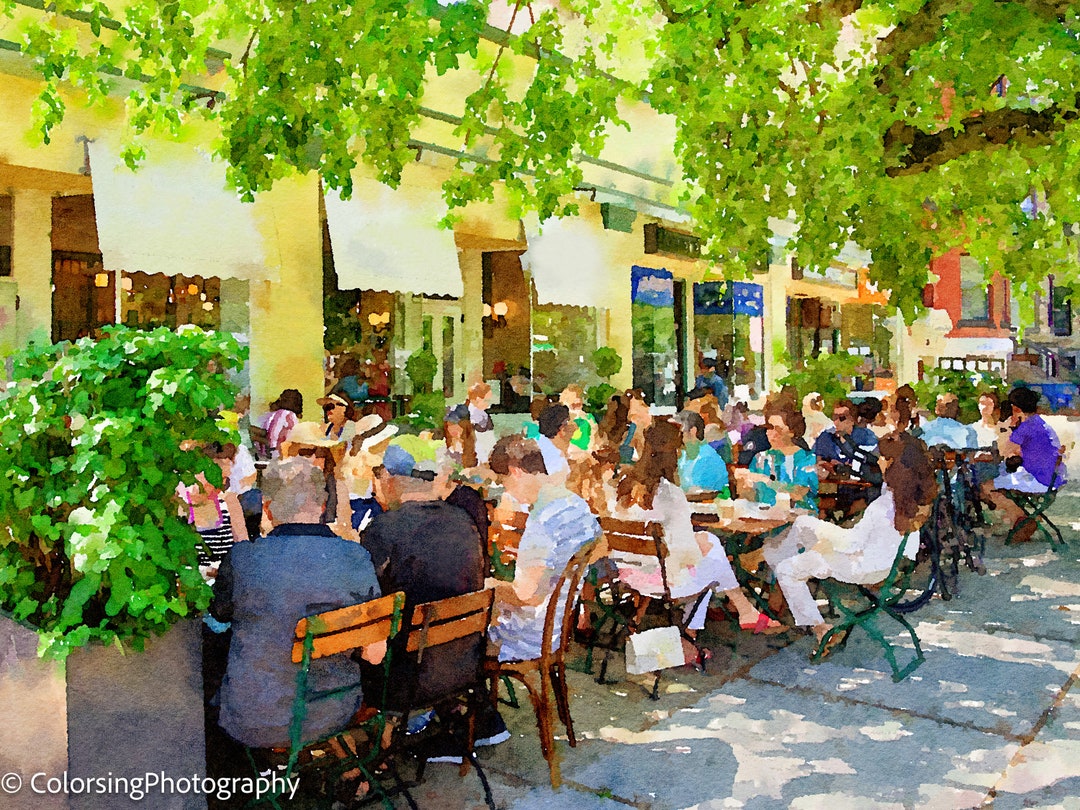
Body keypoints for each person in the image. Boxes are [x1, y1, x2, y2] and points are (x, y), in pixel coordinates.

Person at [210, 457, 384, 748]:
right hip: (336, 709)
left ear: (267, 508)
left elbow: (218, 617)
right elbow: (374, 654)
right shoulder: (356, 557)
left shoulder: (245, 558)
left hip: (258, 720)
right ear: (322, 505)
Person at [768, 432, 937, 655]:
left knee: (786, 567)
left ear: (895, 467)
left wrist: (825, 541)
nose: (878, 462)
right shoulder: (910, 499)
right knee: (803, 526)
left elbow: (851, 544)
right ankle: (787, 571)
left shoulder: (884, 506)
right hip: (885, 564)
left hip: (864, 568)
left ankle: (820, 628)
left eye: (883, 459)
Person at [612, 420, 782, 636]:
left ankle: (702, 625)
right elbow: (688, 554)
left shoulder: (625, 485)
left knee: (709, 542)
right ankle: (736, 613)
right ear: (673, 454)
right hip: (663, 581)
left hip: (630, 574)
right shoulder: (670, 494)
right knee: (715, 557)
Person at [486, 436, 602, 662]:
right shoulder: (575, 503)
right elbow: (600, 546)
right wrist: (551, 563)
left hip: (524, 640)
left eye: (504, 481)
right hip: (555, 630)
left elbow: (529, 596)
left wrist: (490, 587)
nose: (506, 489)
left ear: (516, 472)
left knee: (456, 634)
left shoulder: (542, 520)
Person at [989, 387, 1066, 541]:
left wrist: (1011, 426)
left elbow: (1003, 452)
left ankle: (1023, 519)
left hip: (1038, 481)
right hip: (1051, 480)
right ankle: (1023, 520)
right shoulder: (1040, 423)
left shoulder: (1025, 427)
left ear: (1015, 408)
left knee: (987, 487)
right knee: (1002, 480)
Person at [179, 442, 249, 576]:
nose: (222, 484)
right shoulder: (179, 506)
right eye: (217, 477)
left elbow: (244, 552)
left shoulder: (228, 503)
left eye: (225, 479)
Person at [738, 399, 818, 512]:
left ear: (792, 432)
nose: (772, 434)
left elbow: (798, 494)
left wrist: (767, 481)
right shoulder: (760, 458)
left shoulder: (806, 459)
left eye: (778, 429)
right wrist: (744, 484)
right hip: (765, 517)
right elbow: (749, 499)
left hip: (798, 518)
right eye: (769, 428)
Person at [670, 410, 730, 498]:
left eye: (679, 432)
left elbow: (704, 494)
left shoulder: (708, 458)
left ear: (693, 431)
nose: (674, 436)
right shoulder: (682, 455)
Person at [534, 404, 574, 477]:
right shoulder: (555, 455)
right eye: (568, 423)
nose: (573, 427)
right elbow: (562, 480)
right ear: (562, 427)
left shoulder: (539, 442)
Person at [262, 388, 303, 456]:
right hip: (279, 451)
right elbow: (275, 432)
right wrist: (273, 447)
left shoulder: (276, 413)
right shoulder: (288, 414)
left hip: (272, 450)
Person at [559, 384, 594, 454]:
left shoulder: (589, 419)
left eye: (578, 404)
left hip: (587, 456)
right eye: (573, 405)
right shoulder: (560, 421)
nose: (577, 401)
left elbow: (595, 440)